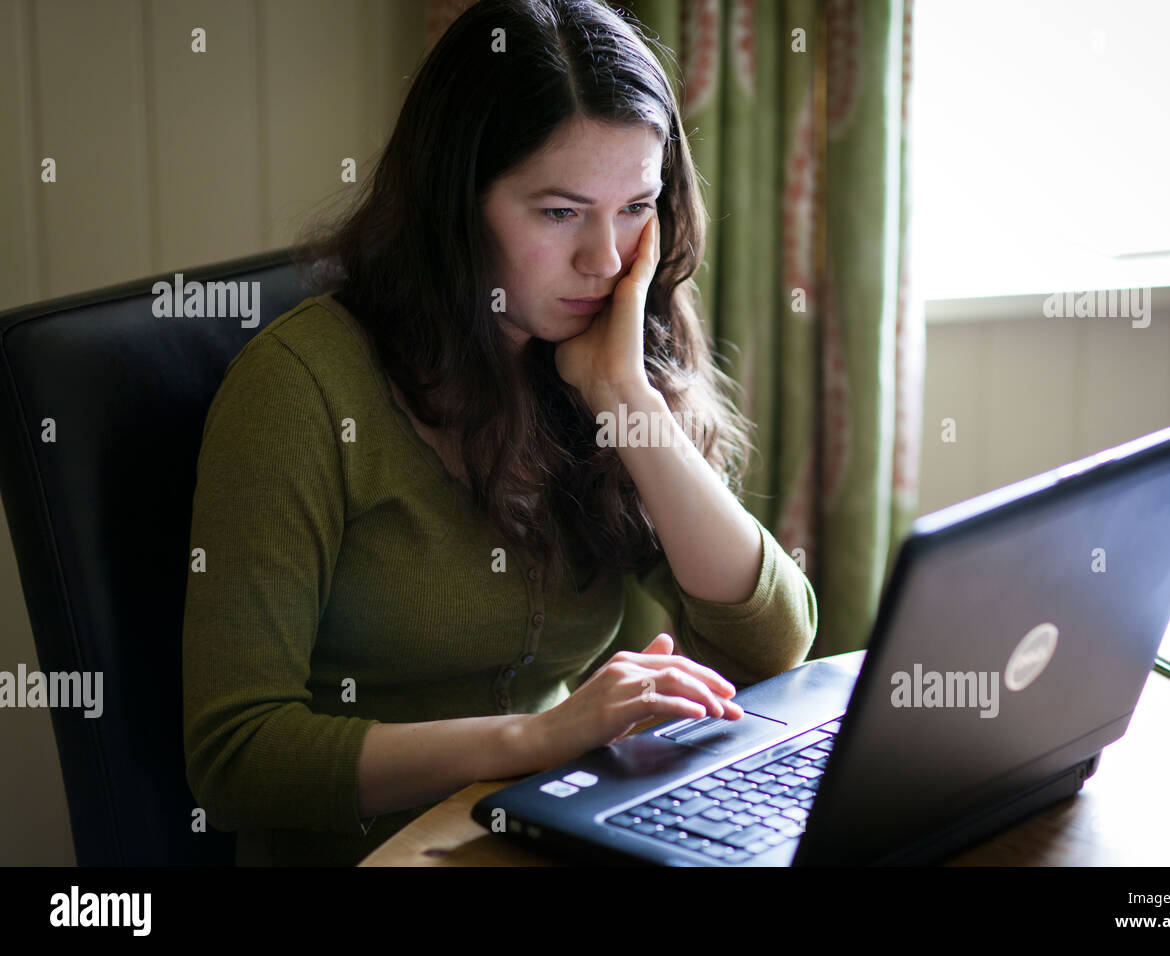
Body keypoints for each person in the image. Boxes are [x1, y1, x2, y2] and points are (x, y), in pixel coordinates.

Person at [182, 0, 817, 867]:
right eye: (559, 213)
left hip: (547, 825)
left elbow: (771, 638)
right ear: (456, 205)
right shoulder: (300, 390)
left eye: (636, 206)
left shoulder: (595, 349)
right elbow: (238, 756)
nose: (605, 258)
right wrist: (535, 740)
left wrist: (622, 392)